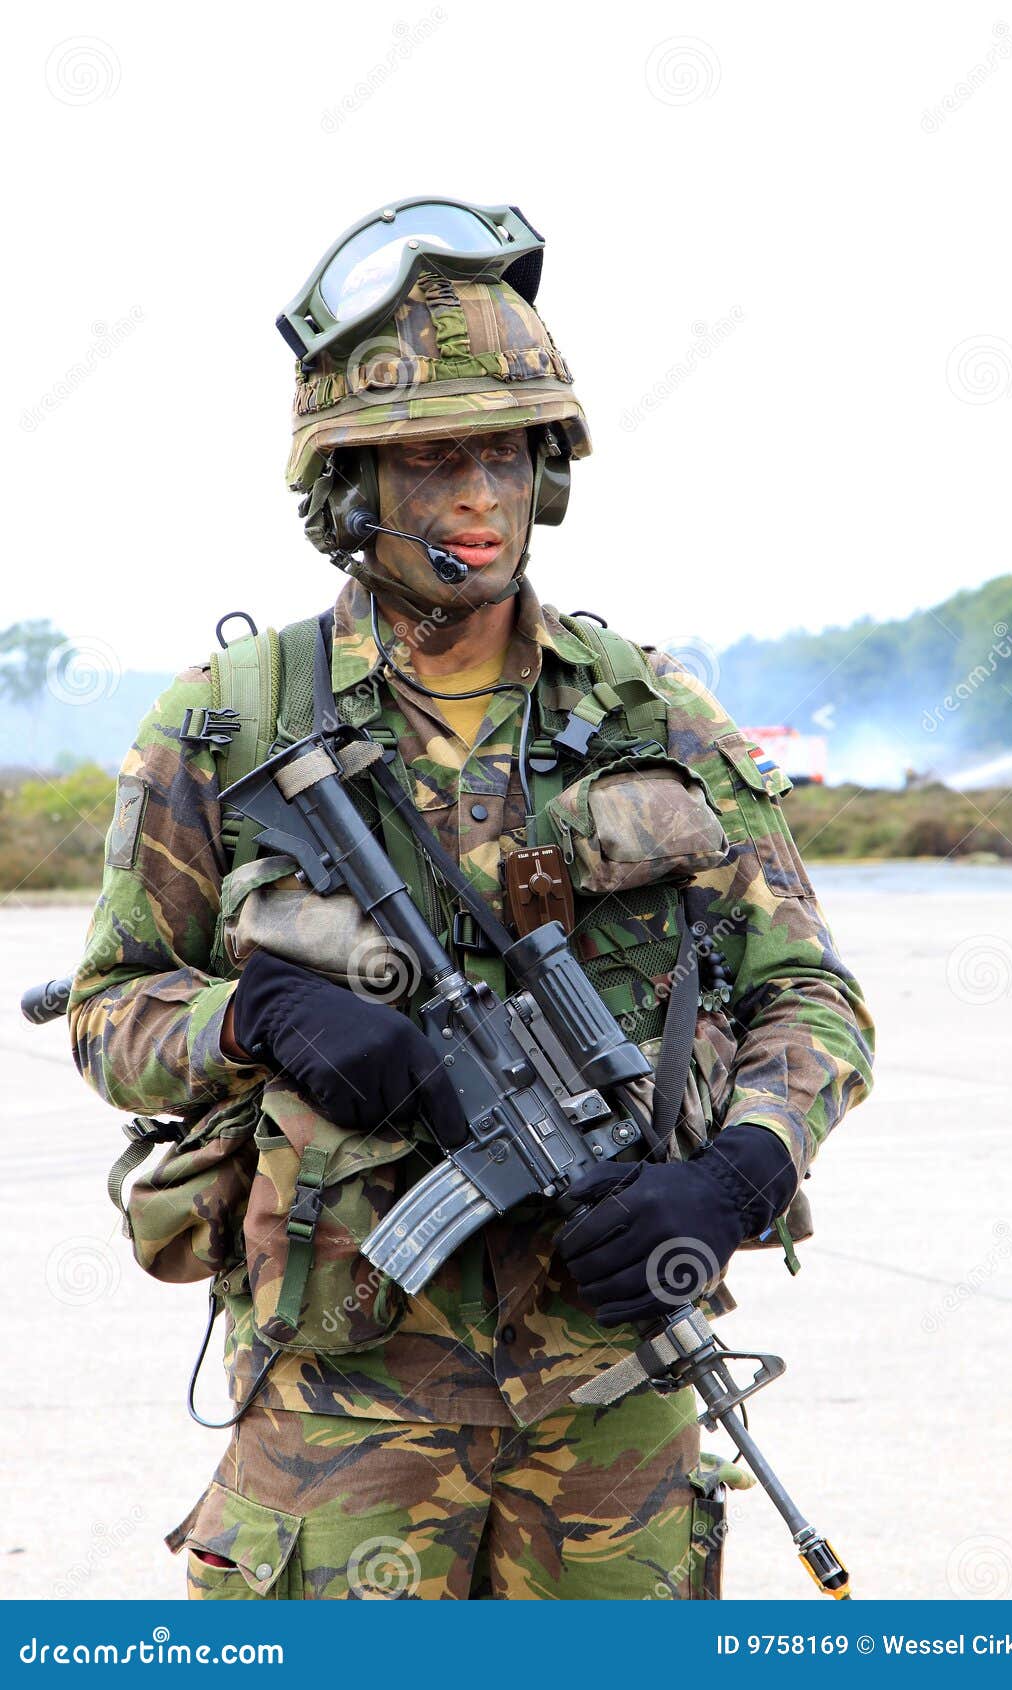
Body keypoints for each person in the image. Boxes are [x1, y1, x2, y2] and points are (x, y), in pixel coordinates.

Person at [67, 198, 874, 1601]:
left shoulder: (652, 713)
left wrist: (737, 1174)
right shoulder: (225, 726)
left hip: (612, 1394)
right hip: (344, 1403)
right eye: (433, 459)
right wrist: (252, 1019)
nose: (479, 500)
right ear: (351, 484)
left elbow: (811, 1000)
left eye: (506, 454)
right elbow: (108, 1011)